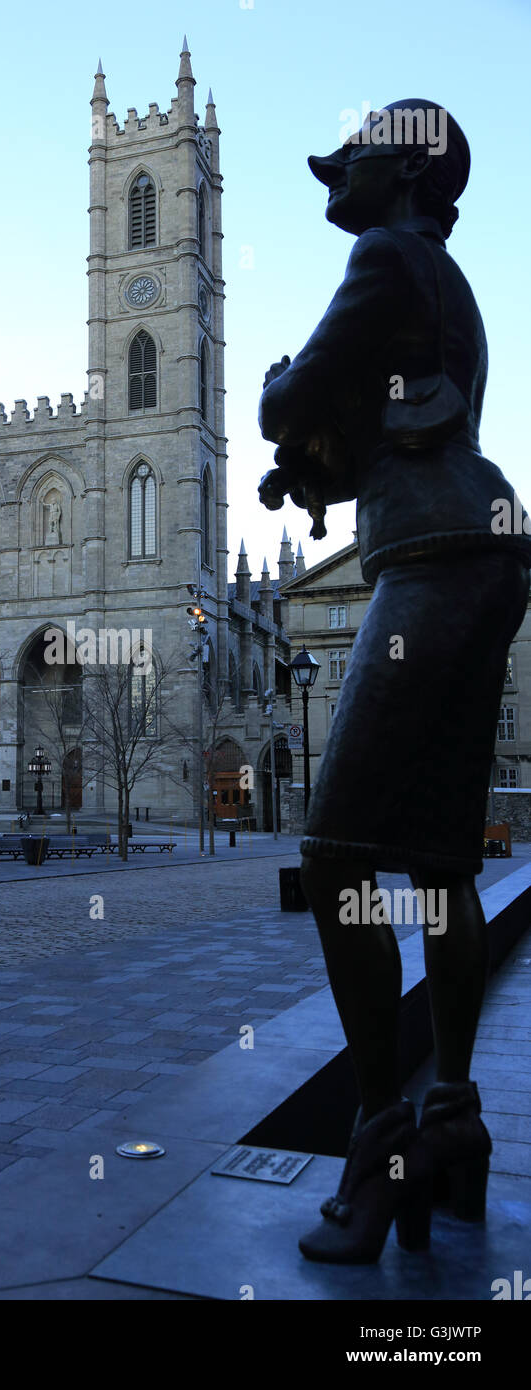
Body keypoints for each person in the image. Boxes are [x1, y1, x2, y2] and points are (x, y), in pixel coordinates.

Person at [257, 100, 531, 1264]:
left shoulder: (383, 254)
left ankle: (376, 1151)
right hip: (489, 545)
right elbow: (399, 412)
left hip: (427, 559)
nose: (340, 163)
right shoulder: (446, 281)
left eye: (360, 148)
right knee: (436, 865)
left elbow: (287, 397)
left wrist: (286, 397)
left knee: (331, 856)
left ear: (408, 170)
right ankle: (450, 1128)